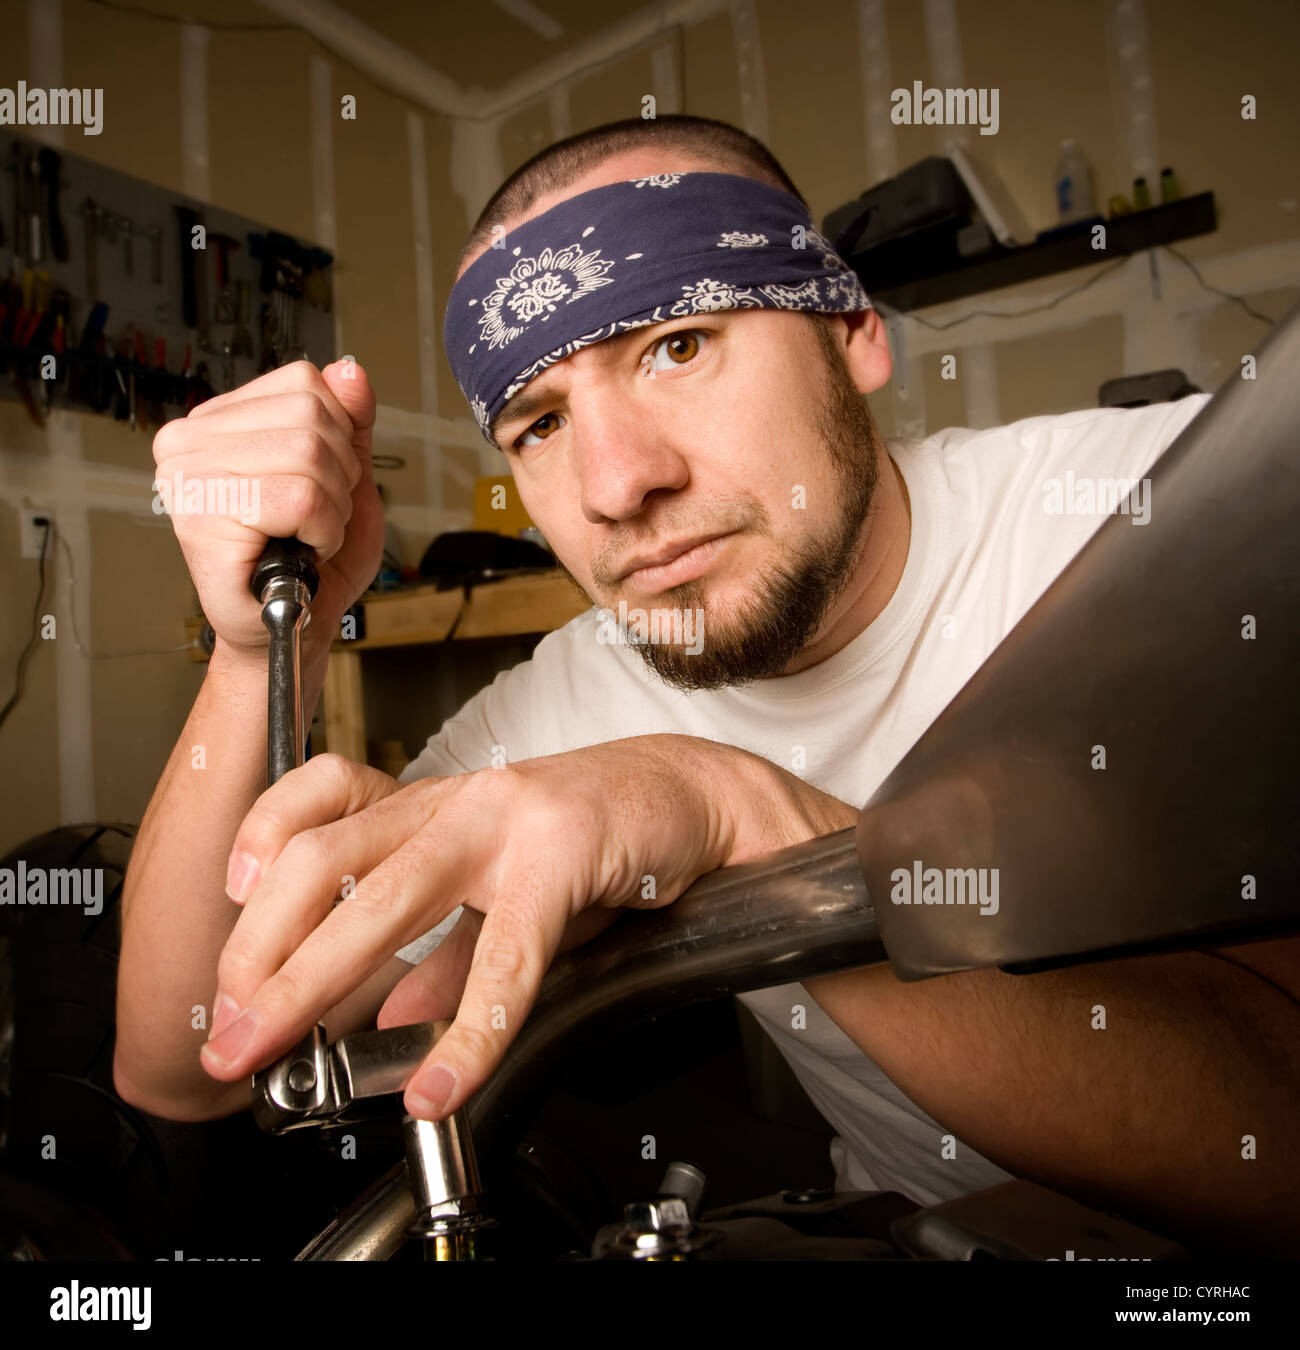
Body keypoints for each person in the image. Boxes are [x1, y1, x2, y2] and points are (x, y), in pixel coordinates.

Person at [116, 114, 1300, 1254]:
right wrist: (262, 645)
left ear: (851, 330)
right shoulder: (561, 710)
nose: (618, 484)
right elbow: (187, 1064)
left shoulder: (1173, 514)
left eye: (675, 347)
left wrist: (745, 819)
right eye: (538, 422)